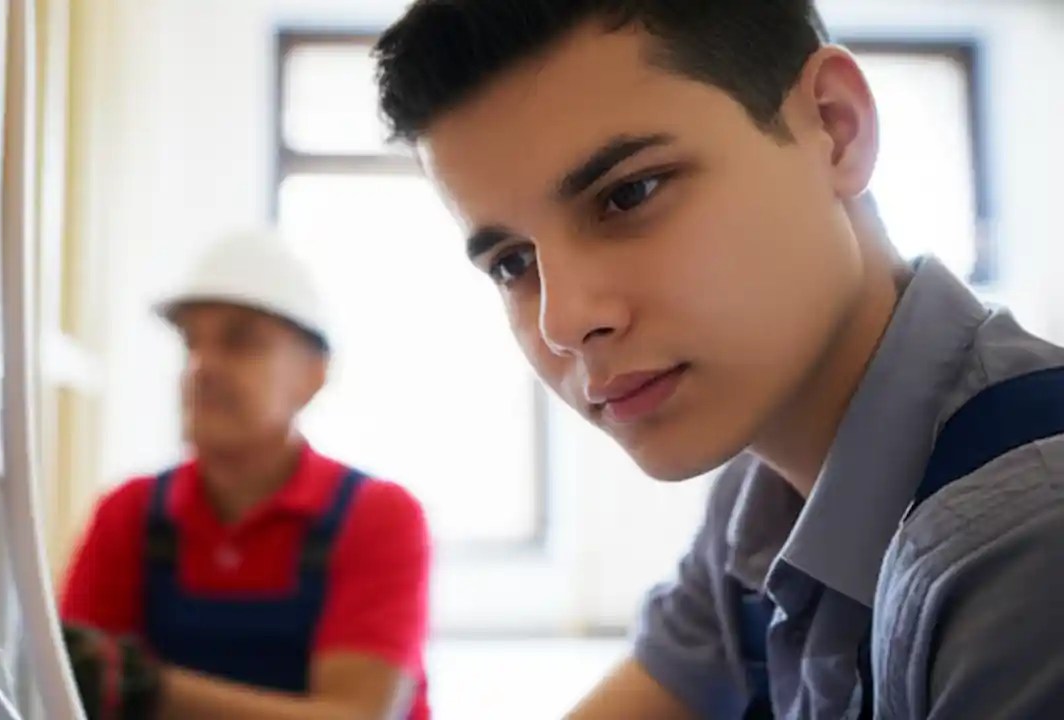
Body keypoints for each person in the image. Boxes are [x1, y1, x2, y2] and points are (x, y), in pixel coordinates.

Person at [373, 2, 1064, 718]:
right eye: (513, 263)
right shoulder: (762, 495)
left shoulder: (1027, 540)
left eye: (628, 194)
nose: (565, 321)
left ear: (833, 126)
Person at [57, 229, 432, 719]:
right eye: (191, 342)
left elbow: (358, 715)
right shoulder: (129, 513)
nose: (202, 366)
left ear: (314, 376)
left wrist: (148, 692)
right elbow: (66, 690)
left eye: (240, 341)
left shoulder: (379, 517)